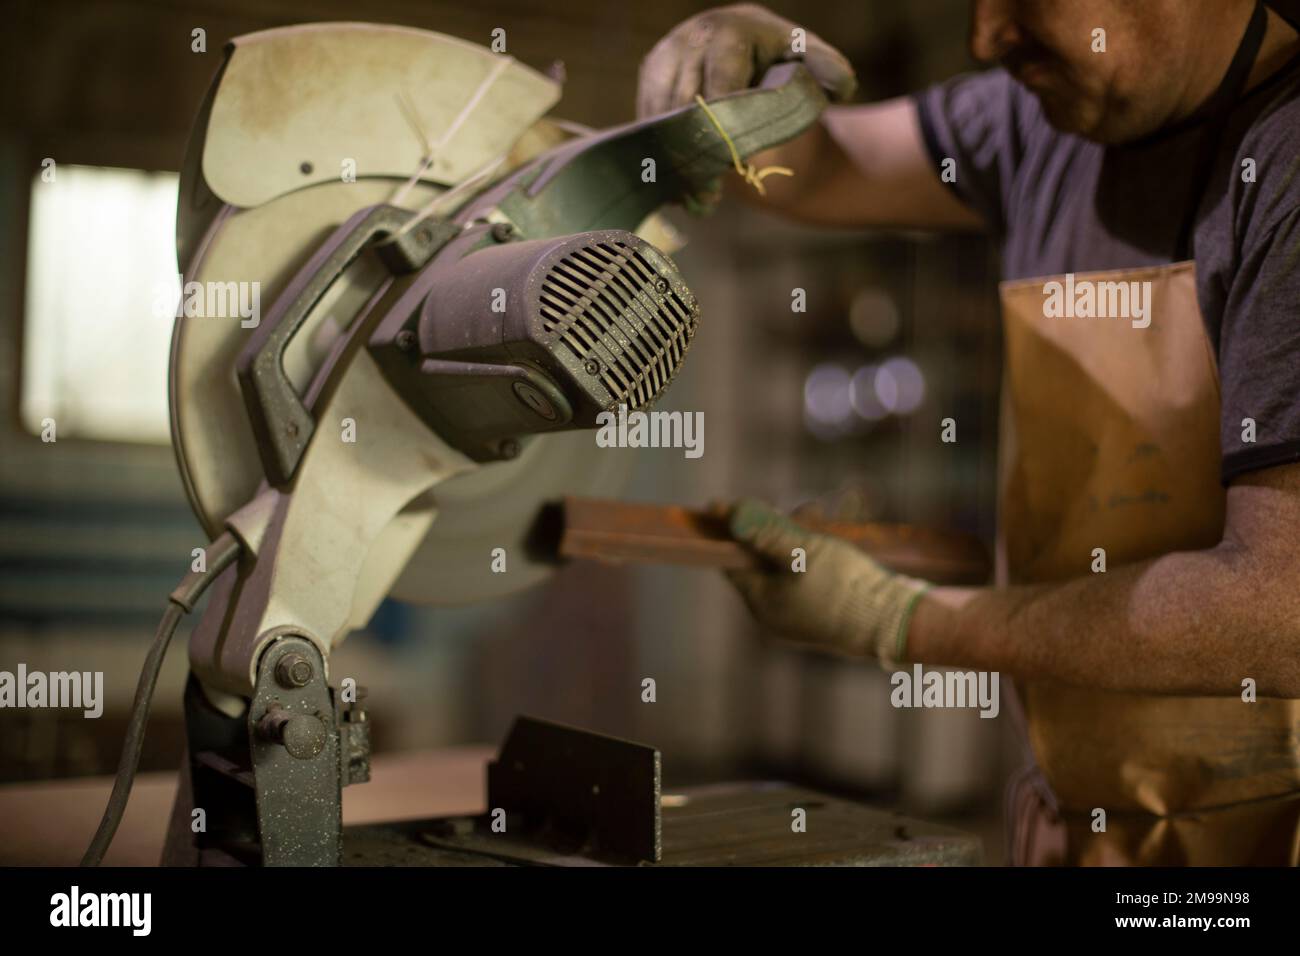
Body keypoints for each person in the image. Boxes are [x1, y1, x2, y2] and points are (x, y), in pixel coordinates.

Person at [638, 1, 1300, 865]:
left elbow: (1279, 607)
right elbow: (821, 169)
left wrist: (902, 621)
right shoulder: (1039, 121)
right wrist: (735, 96)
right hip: (1095, 813)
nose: (985, 38)